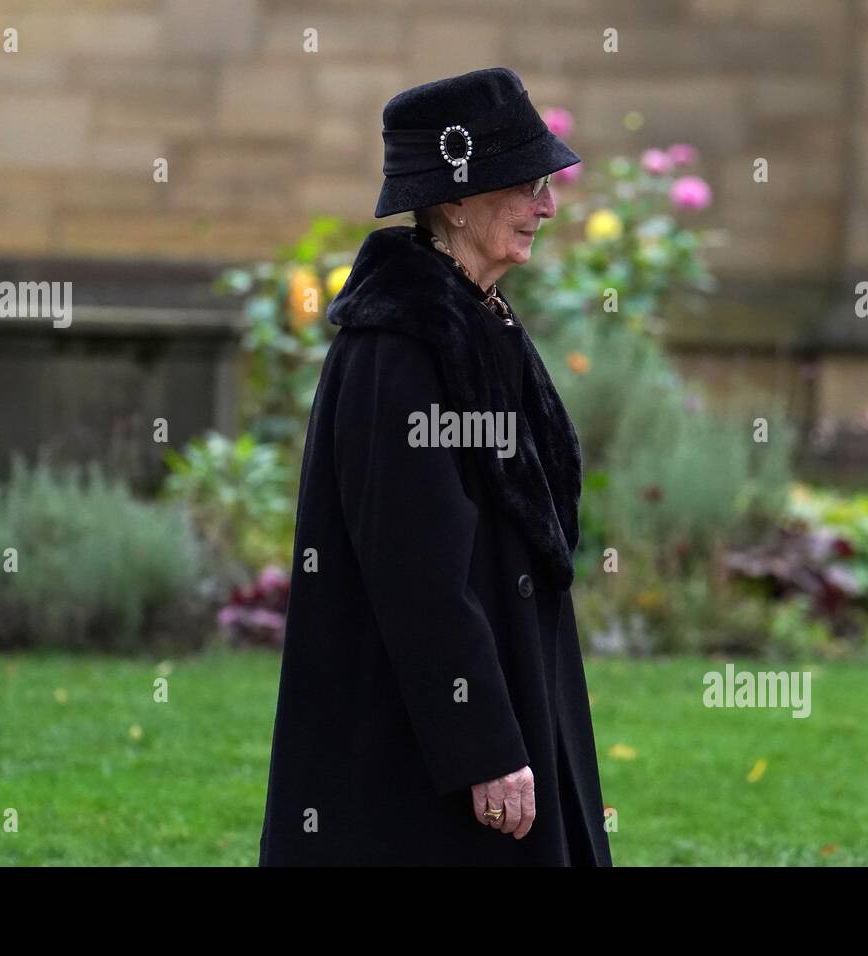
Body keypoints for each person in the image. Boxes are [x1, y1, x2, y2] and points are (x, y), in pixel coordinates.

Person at [258, 67, 612, 866]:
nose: (548, 207)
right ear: (457, 197)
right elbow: (416, 567)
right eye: (527, 185)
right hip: (414, 746)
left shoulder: (475, 317)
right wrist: (482, 743)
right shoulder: (400, 346)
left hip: (502, 692)